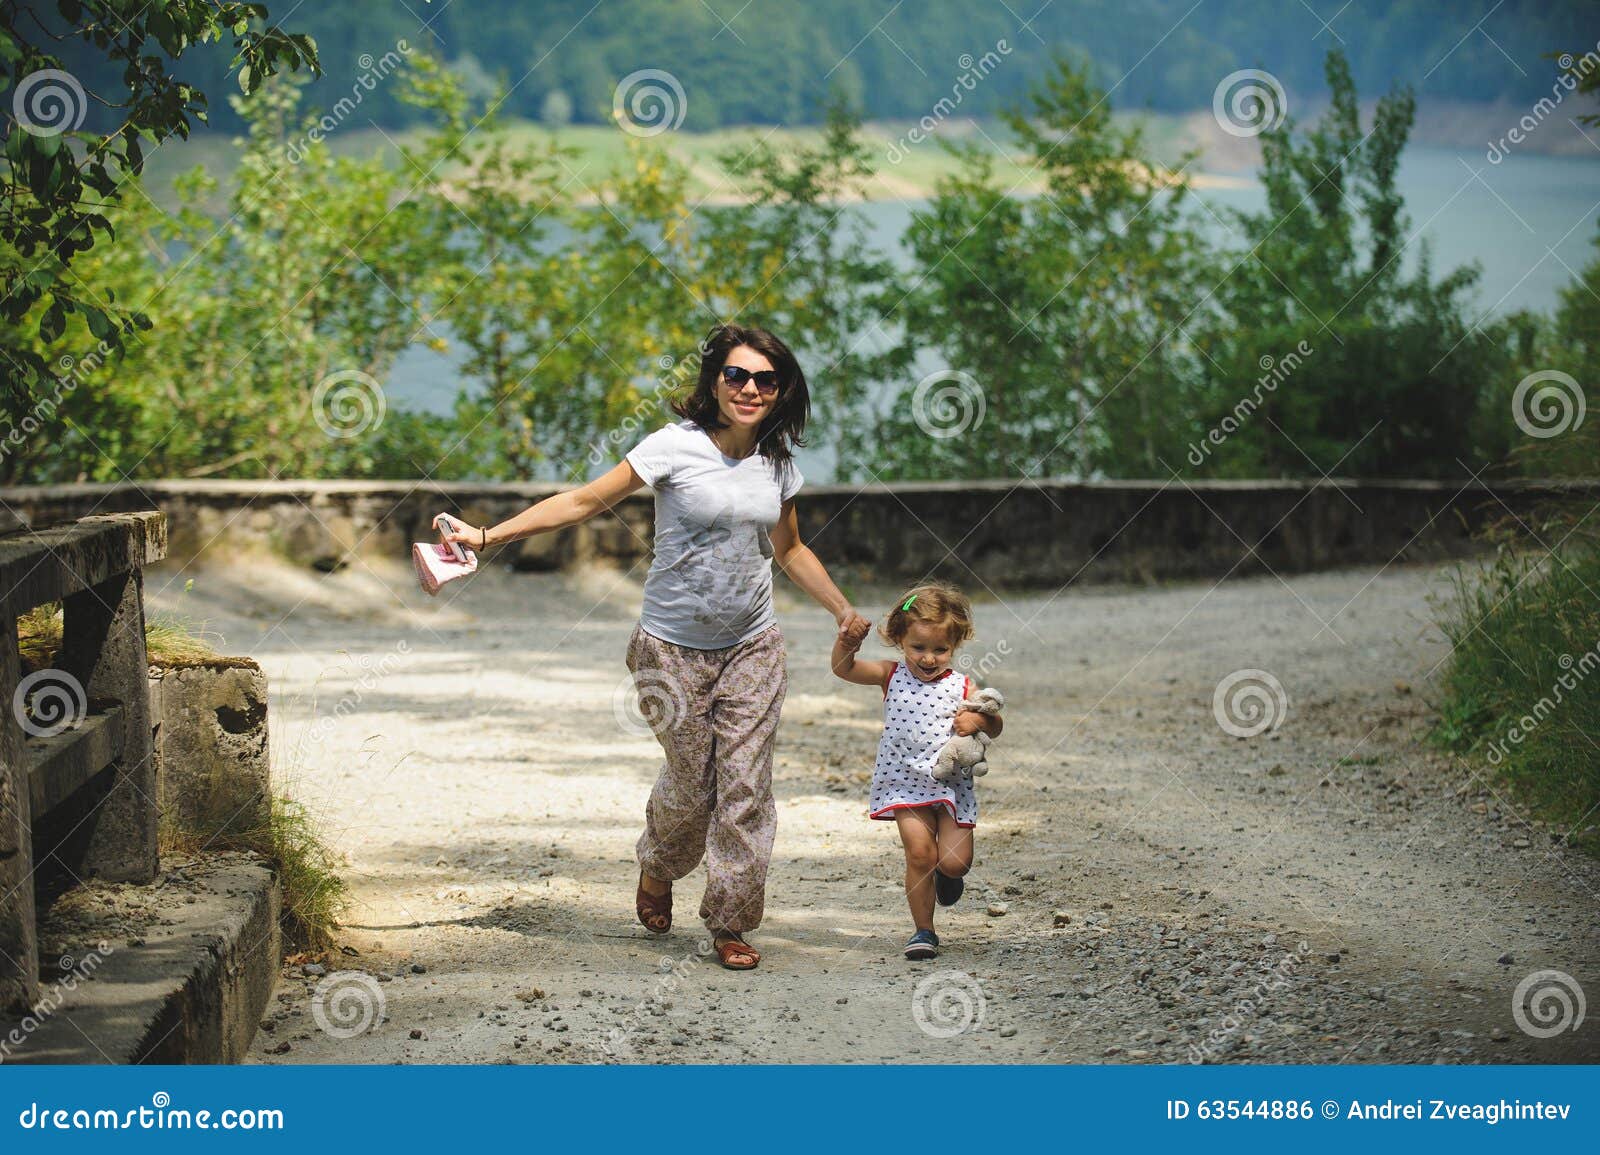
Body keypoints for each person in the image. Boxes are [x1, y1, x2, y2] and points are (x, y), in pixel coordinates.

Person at [442, 322, 869, 971]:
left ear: (780, 391)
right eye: (737, 375)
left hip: (753, 643)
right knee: (692, 787)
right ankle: (660, 862)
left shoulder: (778, 465)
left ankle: (730, 919)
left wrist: (843, 610)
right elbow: (585, 499)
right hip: (668, 649)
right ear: (715, 381)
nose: (750, 388)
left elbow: (790, 548)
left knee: (746, 787)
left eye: (765, 379)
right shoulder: (674, 446)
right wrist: (485, 535)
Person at [831, 581, 1003, 960]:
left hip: (951, 784)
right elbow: (845, 670)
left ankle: (948, 876)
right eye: (918, 648)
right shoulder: (889, 675)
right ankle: (923, 930)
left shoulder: (964, 685)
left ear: (954, 646)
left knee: (955, 862)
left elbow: (996, 724)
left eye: (940, 649)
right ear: (899, 639)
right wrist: (846, 644)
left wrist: (978, 722)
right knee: (920, 855)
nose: (928, 658)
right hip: (904, 783)